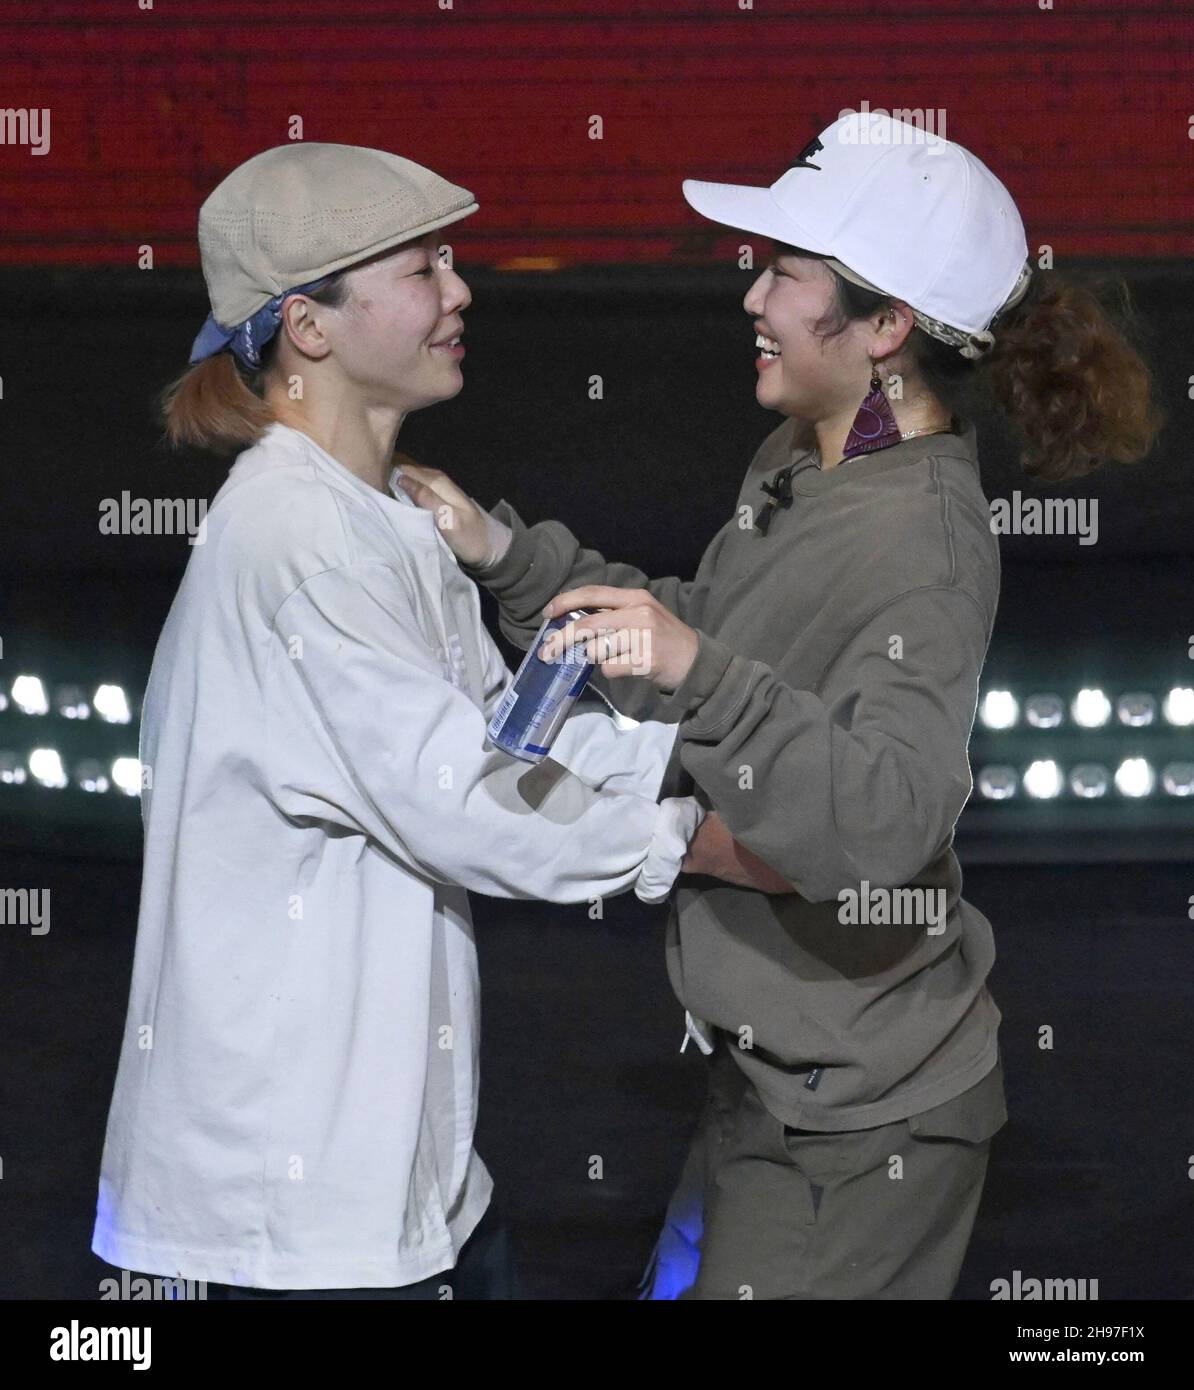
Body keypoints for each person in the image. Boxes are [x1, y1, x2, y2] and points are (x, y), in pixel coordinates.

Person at [398, 110, 1163, 1299]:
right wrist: (504, 553)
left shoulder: (926, 543)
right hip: (773, 1076)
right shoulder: (808, 458)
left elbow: (887, 824)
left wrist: (701, 673)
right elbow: (703, 627)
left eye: (785, 276)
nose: (753, 299)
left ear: (888, 329)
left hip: (860, 1134)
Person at [88, 141, 752, 1300]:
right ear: (310, 327)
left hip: (406, 1183)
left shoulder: (387, 513)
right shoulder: (290, 541)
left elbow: (503, 726)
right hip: (286, 1217)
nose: (460, 291)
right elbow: (469, 802)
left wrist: (710, 759)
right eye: (421, 268)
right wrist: (692, 843)